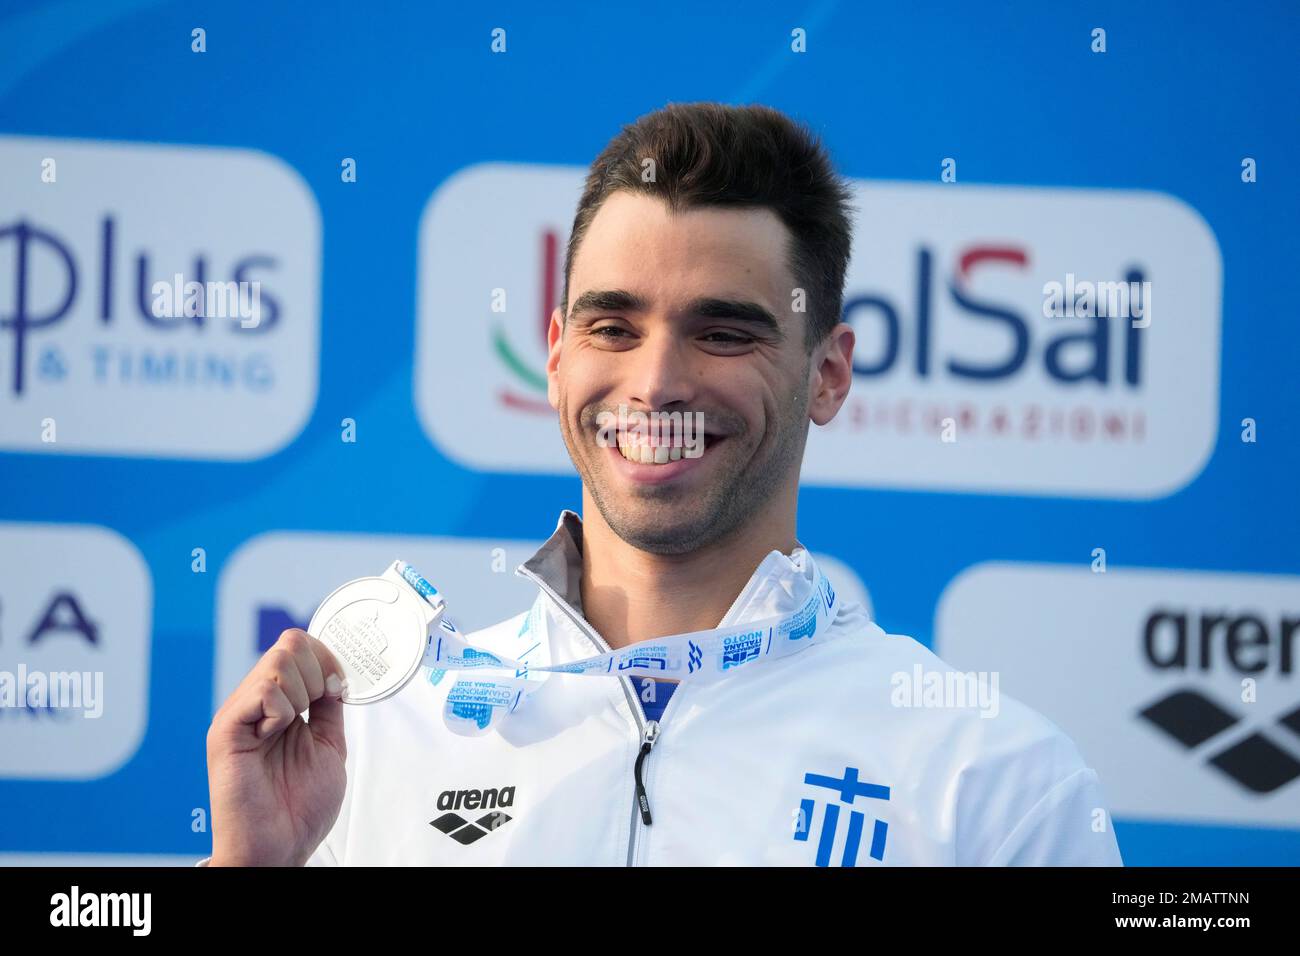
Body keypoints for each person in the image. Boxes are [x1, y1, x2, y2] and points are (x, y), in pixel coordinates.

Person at [202, 102, 1123, 866]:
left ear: (829, 374)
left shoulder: (994, 785)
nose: (656, 383)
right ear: (557, 355)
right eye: (614, 326)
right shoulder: (374, 744)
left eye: (724, 333)